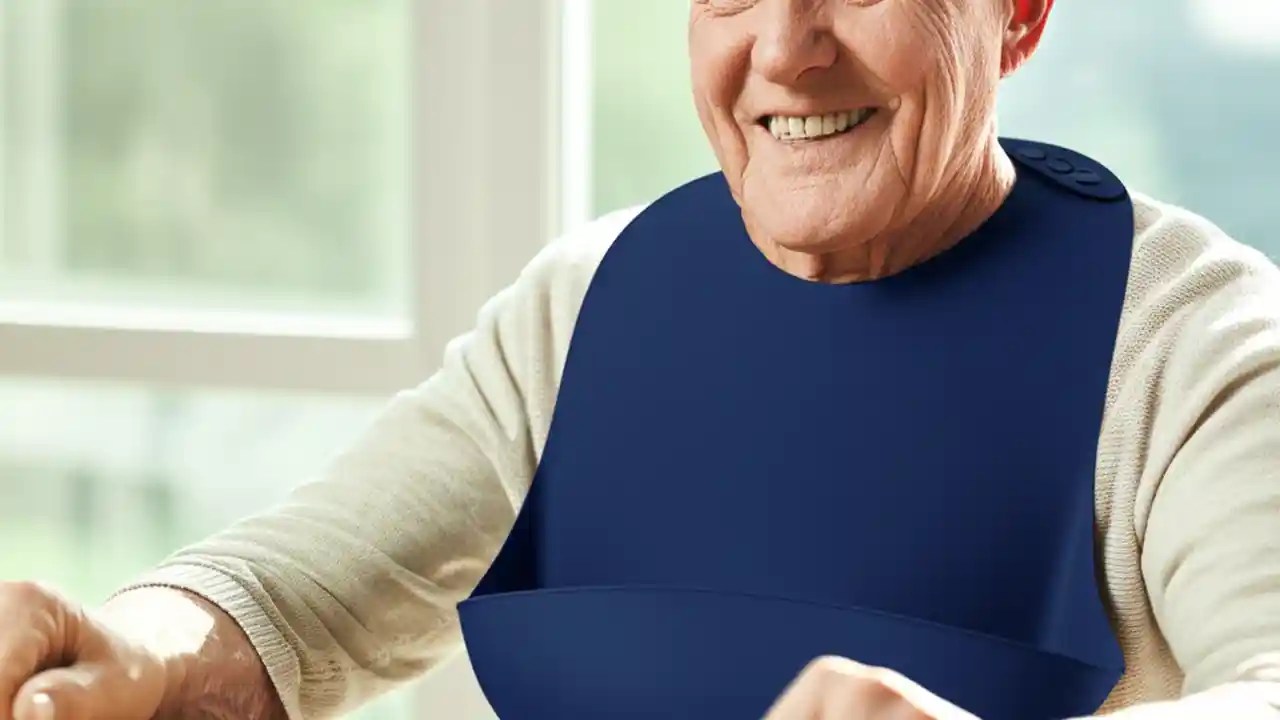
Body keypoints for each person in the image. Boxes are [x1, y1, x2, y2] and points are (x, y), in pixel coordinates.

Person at [2, 0, 1278, 717]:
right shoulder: (584, 307)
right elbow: (287, 600)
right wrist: (136, 647)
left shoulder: (1190, 348)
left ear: (1015, 13)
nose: (784, 49)